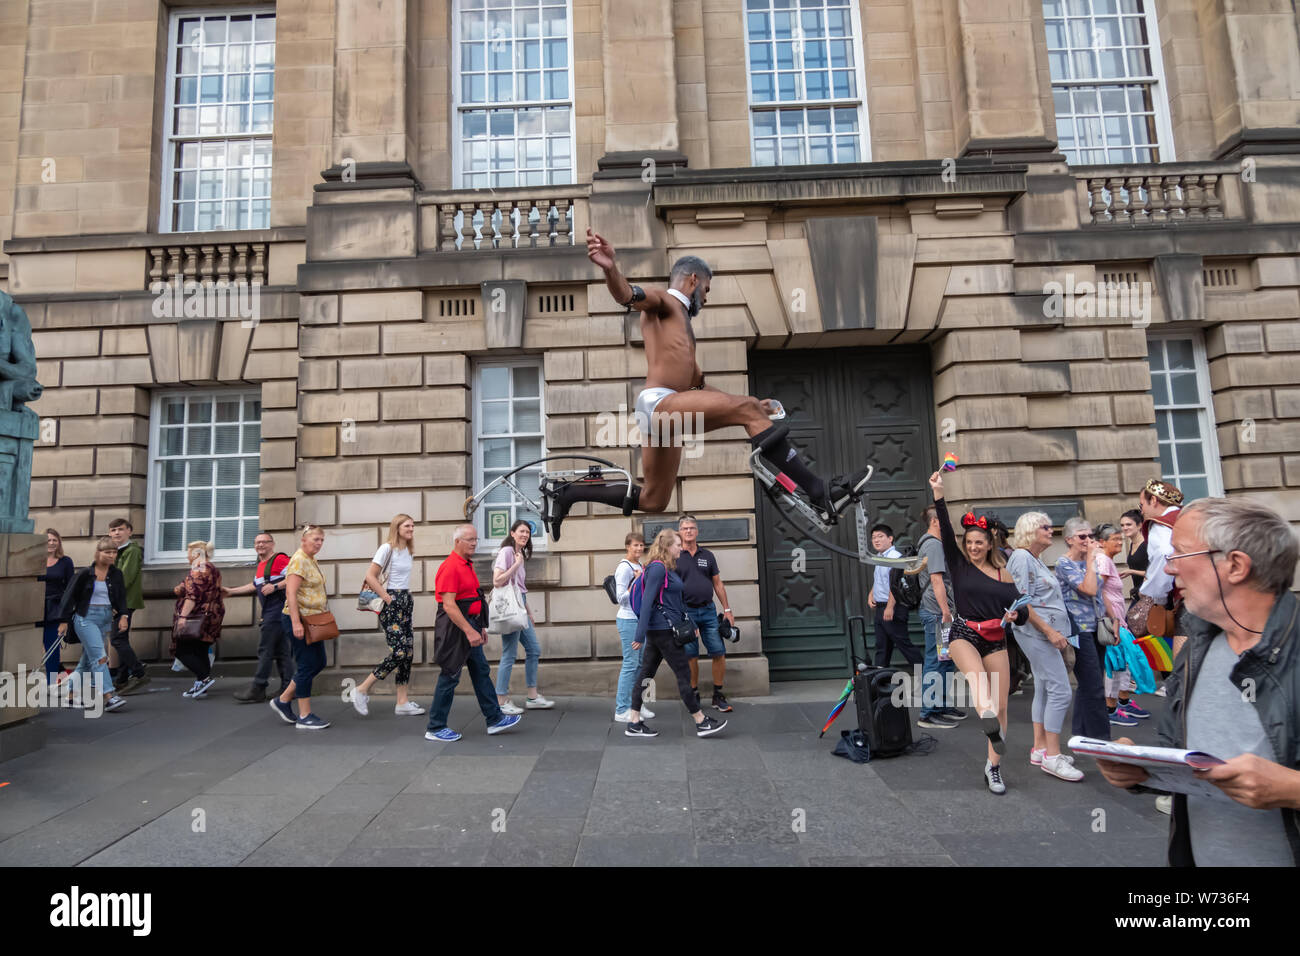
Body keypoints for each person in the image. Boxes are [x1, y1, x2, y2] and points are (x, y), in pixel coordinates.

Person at [539, 230, 872, 541]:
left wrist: (754, 403)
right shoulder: (665, 302)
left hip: (665, 412)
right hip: (658, 405)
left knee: (655, 499)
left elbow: (703, 391)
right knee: (746, 411)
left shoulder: (684, 335)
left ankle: (568, 493)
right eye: (707, 291)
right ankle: (818, 491)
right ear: (693, 280)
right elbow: (627, 295)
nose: (706, 299)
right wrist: (611, 269)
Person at [1095, 497, 1300, 866]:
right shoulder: (1198, 646)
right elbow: (1190, 759)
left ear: (1235, 565)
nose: (1170, 570)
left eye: (1179, 555)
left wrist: (1292, 789)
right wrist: (1141, 769)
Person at [927, 473, 1026, 794]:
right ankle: (984, 715)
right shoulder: (959, 566)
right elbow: (943, 527)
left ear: (989, 544)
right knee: (977, 681)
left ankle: (993, 767)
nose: (972, 547)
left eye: (978, 543)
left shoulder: (1003, 572)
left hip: (995, 638)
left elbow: (1021, 610)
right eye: (969, 542)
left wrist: (1016, 614)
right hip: (963, 632)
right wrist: (938, 494)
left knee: (1001, 708)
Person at [624, 529, 728, 739]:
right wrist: (639, 634)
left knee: (646, 673)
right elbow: (646, 603)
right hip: (662, 631)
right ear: (667, 547)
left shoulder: (668, 568)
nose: (681, 548)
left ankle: (634, 721)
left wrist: (688, 621)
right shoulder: (657, 569)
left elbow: (675, 601)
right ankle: (700, 720)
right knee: (683, 674)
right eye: (677, 545)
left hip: (664, 629)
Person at [424, 525, 523, 742]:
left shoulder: (465, 564)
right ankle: (435, 726)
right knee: (450, 675)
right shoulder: (450, 567)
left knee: (481, 670)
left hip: (469, 624)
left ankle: (494, 719)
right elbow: (449, 605)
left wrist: (480, 627)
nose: (474, 543)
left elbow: (473, 598)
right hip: (455, 628)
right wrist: (469, 631)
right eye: (470, 539)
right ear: (457, 541)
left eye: (476, 539)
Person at [1007, 512, 1082, 783]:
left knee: (1044, 687)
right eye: (1046, 527)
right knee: (1061, 691)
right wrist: (1050, 631)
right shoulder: (1022, 557)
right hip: (1037, 633)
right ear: (1030, 530)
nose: (1052, 531)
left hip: (1041, 632)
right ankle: (1053, 755)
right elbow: (1021, 601)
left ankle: (1041, 748)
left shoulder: (1032, 558)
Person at [351, 515, 426, 717]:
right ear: (397, 528)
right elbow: (370, 575)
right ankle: (361, 689)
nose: (411, 529)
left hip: (405, 601)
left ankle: (402, 702)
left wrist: (402, 599)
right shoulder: (387, 548)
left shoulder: (409, 550)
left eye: (412, 526)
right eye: (407, 526)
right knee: (399, 652)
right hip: (391, 602)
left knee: (408, 653)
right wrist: (386, 597)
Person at [1054, 518, 1113, 744]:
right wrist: (1091, 560)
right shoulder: (1063, 564)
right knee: (1094, 686)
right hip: (1078, 629)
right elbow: (1088, 589)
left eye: (1090, 536)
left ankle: (1080, 735)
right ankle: (1102, 739)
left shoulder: (1093, 561)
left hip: (1098, 625)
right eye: (1082, 536)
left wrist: (1113, 618)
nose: (1088, 541)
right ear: (1069, 540)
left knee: (1091, 681)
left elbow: (1101, 590)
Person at [270, 525, 333, 730]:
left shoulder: (310, 559)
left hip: (314, 619)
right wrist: (296, 622)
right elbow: (291, 593)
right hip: (300, 620)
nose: (319, 543)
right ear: (303, 540)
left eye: (322, 540)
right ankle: (305, 715)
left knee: (319, 661)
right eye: (315, 539)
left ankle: (284, 699)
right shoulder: (298, 559)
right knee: (306, 664)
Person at [55, 536, 128, 712]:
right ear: (98, 553)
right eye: (107, 552)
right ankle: (109, 696)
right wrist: (63, 621)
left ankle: (70, 695)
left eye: (114, 552)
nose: (111, 555)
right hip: (85, 618)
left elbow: (121, 596)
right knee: (100, 657)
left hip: (104, 618)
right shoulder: (85, 573)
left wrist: (124, 615)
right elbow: (69, 596)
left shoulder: (116, 574)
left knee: (87, 661)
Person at [491, 520, 554, 713]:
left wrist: (528, 610)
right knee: (509, 653)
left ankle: (532, 697)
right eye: (521, 531)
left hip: (519, 605)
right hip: (510, 607)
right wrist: (516, 565)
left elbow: (519, 588)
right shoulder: (507, 552)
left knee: (534, 649)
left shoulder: (520, 554)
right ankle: (501, 700)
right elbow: (497, 580)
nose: (525, 535)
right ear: (512, 533)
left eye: (527, 532)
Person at [224, 532, 293, 703]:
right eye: (257, 543)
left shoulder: (279, 560)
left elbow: (296, 576)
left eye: (264, 542)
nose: (260, 545)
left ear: (272, 544)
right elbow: (255, 585)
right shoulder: (262, 565)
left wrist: (275, 586)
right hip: (273, 612)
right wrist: (231, 591)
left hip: (276, 612)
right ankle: (288, 689)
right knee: (282, 652)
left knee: (265, 649)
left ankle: (259, 687)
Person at [676, 515, 735, 712]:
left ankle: (718, 695)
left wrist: (727, 610)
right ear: (680, 532)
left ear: (697, 531)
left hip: (709, 611)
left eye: (692, 528)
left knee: (719, 652)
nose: (689, 531)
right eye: (685, 528)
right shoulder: (675, 556)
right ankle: (694, 694)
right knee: (691, 656)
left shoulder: (707, 555)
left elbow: (717, 584)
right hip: (686, 613)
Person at [914, 506, 965, 729]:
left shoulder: (934, 544)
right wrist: (946, 612)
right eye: (945, 521)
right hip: (937, 612)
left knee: (945, 660)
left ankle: (941, 706)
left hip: (940, 612)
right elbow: (936, 580)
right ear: (936, 522)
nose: (949, 524)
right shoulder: (933, 545)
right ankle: (928, 713)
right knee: (935, 662)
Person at [1095, 522, 1146, 724]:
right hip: (1112, 622)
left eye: (1120, 538)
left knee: (1122, 664)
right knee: (1115, 665)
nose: (1120, 542)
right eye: (1115, 539)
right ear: (1102, 542)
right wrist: (1113, 621)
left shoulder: (1107, 560)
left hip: (1118, 621)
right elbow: (1099, 591)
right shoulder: (1103, 561)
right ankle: (1110, 709)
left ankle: (1121, 704)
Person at [172, 541, 225, 699]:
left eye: (188, 553)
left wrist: (183, 617)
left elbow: (192, 596)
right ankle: (201, 685)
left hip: (198, 616)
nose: (187, 556)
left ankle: (204, 678)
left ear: (196, 554)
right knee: (200, 649)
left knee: (181, 650)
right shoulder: (211, 567)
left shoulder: (199, 568)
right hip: (212, 614)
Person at [612, 532, 655, 722]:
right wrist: (637, 580)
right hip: (628, 619)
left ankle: (636, 705)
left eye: (641, 545)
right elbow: (620, 598)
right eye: (635, 545)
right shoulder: (624, 568)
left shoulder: (639, 565)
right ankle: (621, 709)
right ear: (627, 546)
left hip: (640, 620)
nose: (639, 549)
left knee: (640, 664)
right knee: (630, 664)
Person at [868, 522, 922, 669]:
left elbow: (896, 585)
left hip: (893, 608)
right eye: (873, 537)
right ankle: (879, 680)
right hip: (881, 607)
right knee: (882, 646)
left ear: (890, 539)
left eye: (880, 536)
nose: (876, 540)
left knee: (903, 644)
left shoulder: (895, 557)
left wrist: (890, 607)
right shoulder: (880, 557)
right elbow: (881, 579)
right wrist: (871, 594)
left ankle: (925, 673)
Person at [106, 518, 149, 693]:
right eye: (113, 530)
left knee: (116, 639)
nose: (117, 533)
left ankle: (139, 673)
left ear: (129, 531)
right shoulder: (115, 551)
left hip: (124, 602)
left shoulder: (132, 550)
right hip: (119, 601)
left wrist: (113, 602)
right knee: (121, 639)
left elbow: (125, 579)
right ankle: (122, 679)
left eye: (121, 529)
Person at [37, 528, 74, 683]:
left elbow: (71, 589)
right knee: (39, 648)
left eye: (54, 540)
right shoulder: (35, 560)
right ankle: (63, 676)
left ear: (59, 543)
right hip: (35, 608)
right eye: (48, 540)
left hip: (56, 609)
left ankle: (52, 683)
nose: (51, 543)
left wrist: (65, 619)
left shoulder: (66, 561)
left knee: (52, 647)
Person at [1119, 508, 1146, 602]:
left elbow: (1156, 573)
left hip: (1149, 595)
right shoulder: (1132, 544)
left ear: (1139, 526)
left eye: (1128, 524)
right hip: (1138, 593)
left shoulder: (1147, 544)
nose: (1125, 528)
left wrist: (1131, 571)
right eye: (1122, 525)